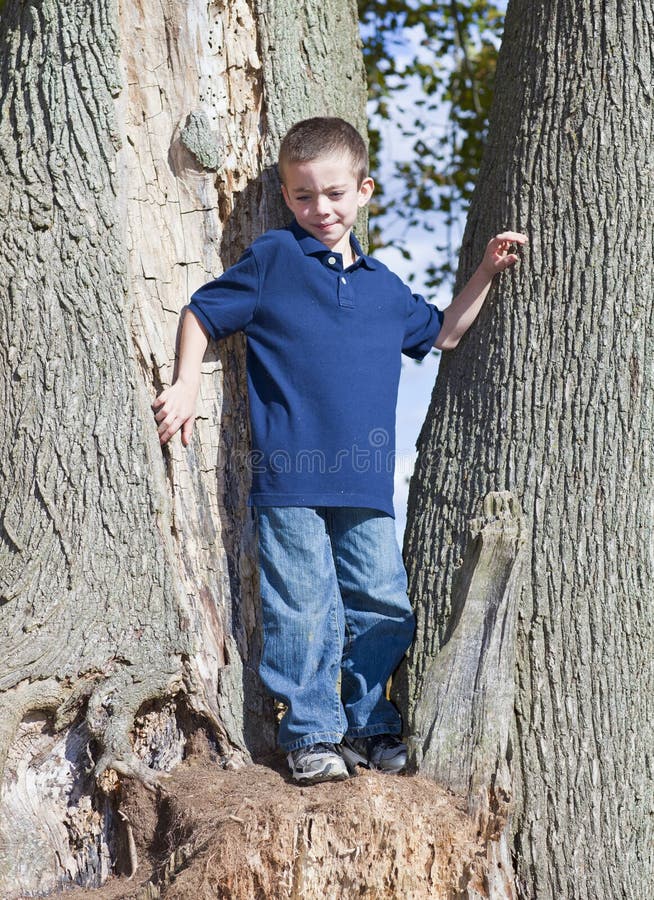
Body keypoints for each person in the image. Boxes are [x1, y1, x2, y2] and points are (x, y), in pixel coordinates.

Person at [153, 117, 527, 785]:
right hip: (289, 476)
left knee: (383, 603)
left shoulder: (385, 287)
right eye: (302, 196)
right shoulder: (273, 261)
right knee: (302, 605)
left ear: (363, 191)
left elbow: (441, 334)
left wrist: (486, 272)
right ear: (288, 198)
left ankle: (367, 721)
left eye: (332, 194)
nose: (318, 209)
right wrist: (183, 383)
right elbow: (203, 313)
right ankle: (309, 733)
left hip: (365, 482)